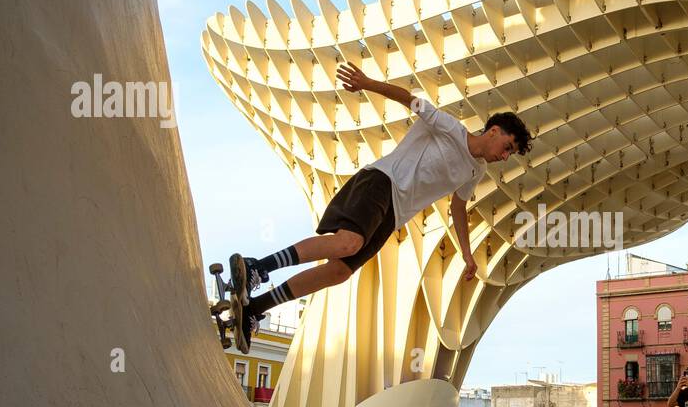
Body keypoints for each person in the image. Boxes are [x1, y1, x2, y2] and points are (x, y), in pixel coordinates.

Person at [222, 62, 532, 352]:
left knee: (340, 271)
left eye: (511, 155)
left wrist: (466, 253)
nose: (505, 157)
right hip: (382, 182)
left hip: (394, 214)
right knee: (348, 243)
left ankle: (255, 307)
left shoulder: (475, 171)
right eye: (507, 147)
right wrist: (366, 83)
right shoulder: (450, 127)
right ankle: (256, 267)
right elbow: (409, 100)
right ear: (494, 131)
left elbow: (459, 207)